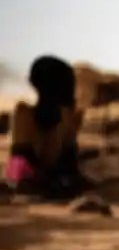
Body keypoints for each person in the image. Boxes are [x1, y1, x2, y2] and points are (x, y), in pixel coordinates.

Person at [4, 56, 91, 199]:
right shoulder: (25, 113)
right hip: (31, 177)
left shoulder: (65, 115)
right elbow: (19, 162)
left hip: (50, 177)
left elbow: (68, 161)